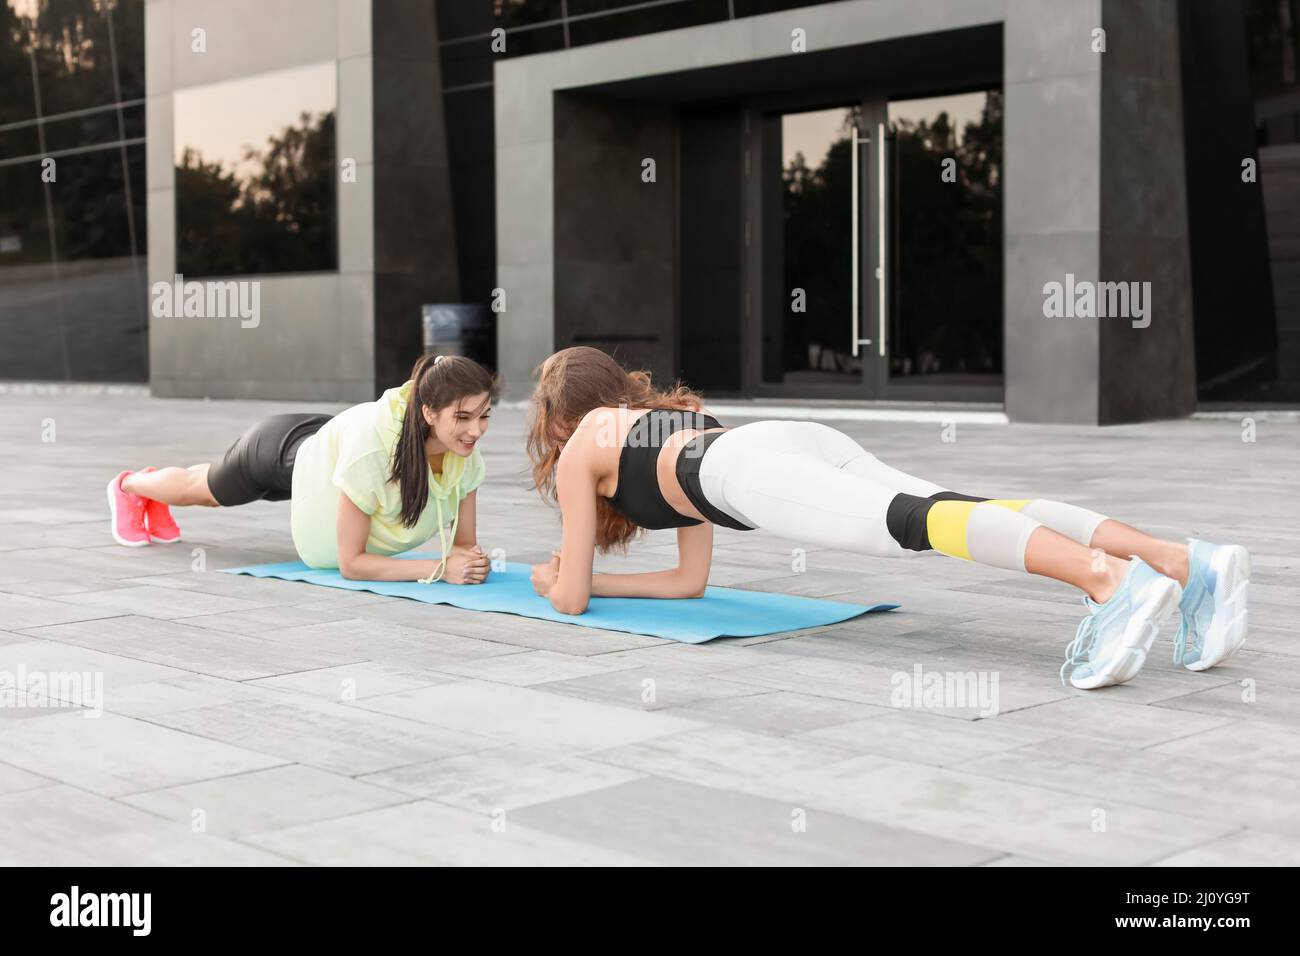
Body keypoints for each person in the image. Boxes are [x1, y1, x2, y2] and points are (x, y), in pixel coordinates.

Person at [524, 347, 1249, 689]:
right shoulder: (668, 417)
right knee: (960, 508)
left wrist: (553, 578)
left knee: (917, 523)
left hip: (749, 473)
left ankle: (1106, 582)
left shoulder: (583, 445)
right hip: (786, 442)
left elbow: (573, 597)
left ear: (560, 423)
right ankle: (1183, 563)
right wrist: (596, 583)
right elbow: (688, 584)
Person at [107, 354, 499, 585]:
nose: (476, 430)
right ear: (428, 412)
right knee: (205, 490)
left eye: (484, 416)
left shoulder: (463, 455)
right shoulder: (371, 456)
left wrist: (471, 560)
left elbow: (463, 543)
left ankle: (148, 493)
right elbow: (352, 564)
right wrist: (440, 570)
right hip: (279, 452)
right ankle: (131, 486)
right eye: (463, 417)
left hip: (328, 452)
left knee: (205, 487)